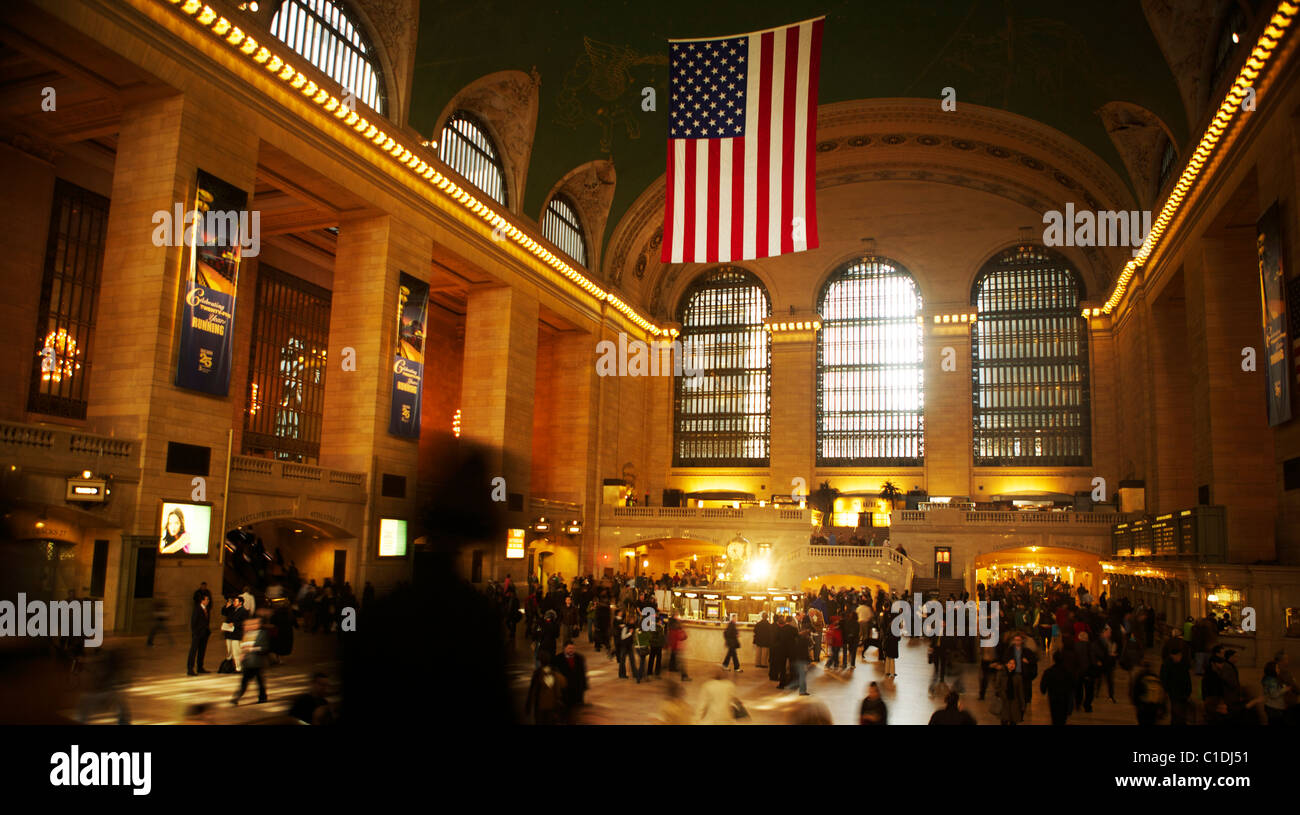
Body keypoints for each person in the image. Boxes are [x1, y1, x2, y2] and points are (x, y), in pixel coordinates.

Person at [231, 615, 269, 705]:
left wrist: (252, 649)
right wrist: (242, 655)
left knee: (257, 681)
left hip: (257, 663)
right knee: (249, 681)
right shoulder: (246, 635)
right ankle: (261, 697)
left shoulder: (262, 634)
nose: (246, 627)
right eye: (245, 625)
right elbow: (243, 647)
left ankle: (262, 697)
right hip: (248, 663)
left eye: (249, 625)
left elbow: (265, 648)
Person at [524, 654, 567, 725]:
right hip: (552, 706)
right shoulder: (554, 672)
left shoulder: (537, 673)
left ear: (540, 662)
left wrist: (528, 704)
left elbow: (533, 690)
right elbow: (562, 685)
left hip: (540, 707)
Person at [553, 642, 588, 721]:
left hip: (576, 691)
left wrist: (584, 687)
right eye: (569, 648)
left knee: (576, 715)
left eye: (572, 648)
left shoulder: (579, 658)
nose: (571, 650)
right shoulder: (558, 659)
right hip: (564, 692)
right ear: (564, 649)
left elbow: (583, 674)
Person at [1039, 651, 1075, 726]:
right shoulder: (1067, 672)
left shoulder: (1049, 672)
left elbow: (1043, 687)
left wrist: (1044, 690)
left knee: (1055, 717)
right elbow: (1072, 685)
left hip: (1053, 698)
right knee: (1063, 717)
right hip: (1065, 698)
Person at [1161, 648, 1193, 725]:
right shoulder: (1167, 665)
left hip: (1184, 694)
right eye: (1178, 655)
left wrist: (1188, 691)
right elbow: (1164, 679)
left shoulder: (1183, 664)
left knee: (1182, 715)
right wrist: (1167, 691)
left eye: (1180, 655)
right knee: (1176, 715)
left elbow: (1187, 679)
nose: (1180, 657)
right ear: (1172, 655)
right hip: (1174, 694)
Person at [187, 592, 211, 676]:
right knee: (193, 651)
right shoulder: (197, 609)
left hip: (204, 634)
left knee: (202, 651)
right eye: (207, 599)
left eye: (208, 599)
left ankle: (200, 667)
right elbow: (193, 622)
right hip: (197, 634)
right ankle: (190, 669)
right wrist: (195, 633)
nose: (208, 601)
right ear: (202, 600)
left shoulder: (206, 609)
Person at [667, 613, 691, 681]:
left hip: (674, 646)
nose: (679, 617)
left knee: (675, 659)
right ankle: (684, 676)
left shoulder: (671, 626)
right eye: (677, 616)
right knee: (681, 662)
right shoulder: (677, 627)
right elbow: (683, 637)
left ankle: (671, 668)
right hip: (678, 646)